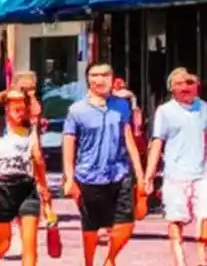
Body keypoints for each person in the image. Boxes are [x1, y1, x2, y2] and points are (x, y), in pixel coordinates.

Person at [62, 63, 145, 266]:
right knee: (91, 227)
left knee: (126, 224)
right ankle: (89, 262)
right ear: (88, 79)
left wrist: (141, 175)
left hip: (119, 173)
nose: (100, 80)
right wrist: (69, 178)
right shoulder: (76, 111)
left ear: (112, 77)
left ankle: (110, 259)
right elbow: (69, 144)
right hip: (88, 176)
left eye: (105, 75)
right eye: (94, 75)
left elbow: (128, 138)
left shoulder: (121, 105)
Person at [144, 67, 207, 266]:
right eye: (179, 84)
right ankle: (180, 261)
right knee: (176, 218)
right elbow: (157, 142)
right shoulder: (165, 111)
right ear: (172, 89)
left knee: (206, 215)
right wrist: (149, 176)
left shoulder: (204, 108)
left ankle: (202, 261)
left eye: (190, 83)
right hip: (175, 175)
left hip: (202, 174)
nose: (185, 87)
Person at [0, 89, 50, 266]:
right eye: (15, 108)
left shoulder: (30, 130)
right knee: (3, 244)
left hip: (26, 188)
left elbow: (38, 160)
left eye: (23, 108)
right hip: (0, 188)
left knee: (30, 246)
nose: (20, 112)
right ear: (6, 107)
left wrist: (44, 190)